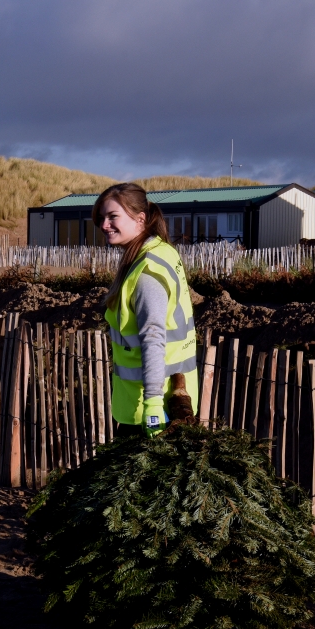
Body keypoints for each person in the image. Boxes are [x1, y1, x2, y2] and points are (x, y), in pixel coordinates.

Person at [94, 183, 198, 438]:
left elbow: (153, 337)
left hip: (151, 411)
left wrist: (152, 402)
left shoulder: (147, 272)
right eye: (101, 218)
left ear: (140, 219)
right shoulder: (161, 252)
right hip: (171, 398)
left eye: (112, 217)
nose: (104, 225)